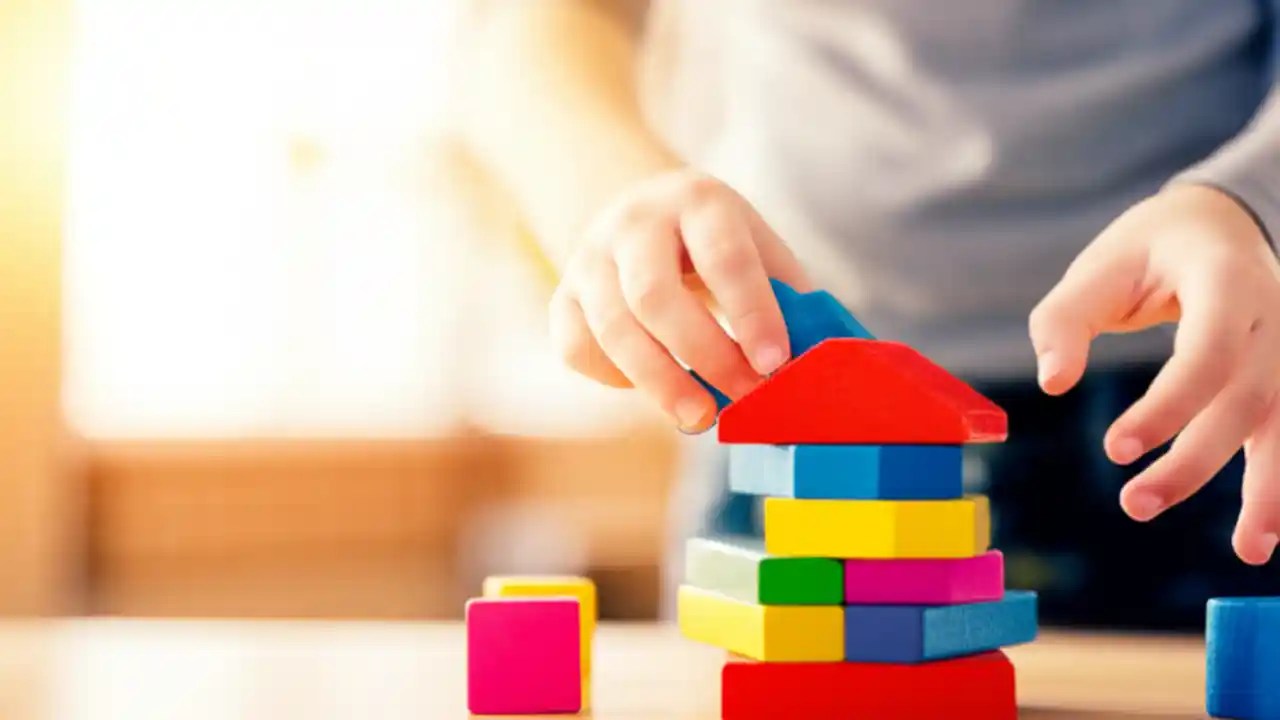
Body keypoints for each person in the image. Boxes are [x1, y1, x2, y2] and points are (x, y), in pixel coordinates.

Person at [460, 0, 1280, 627]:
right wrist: (611, 192)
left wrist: (1255, 200)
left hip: (1213, 394)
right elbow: (536, 24)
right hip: (785, 395)